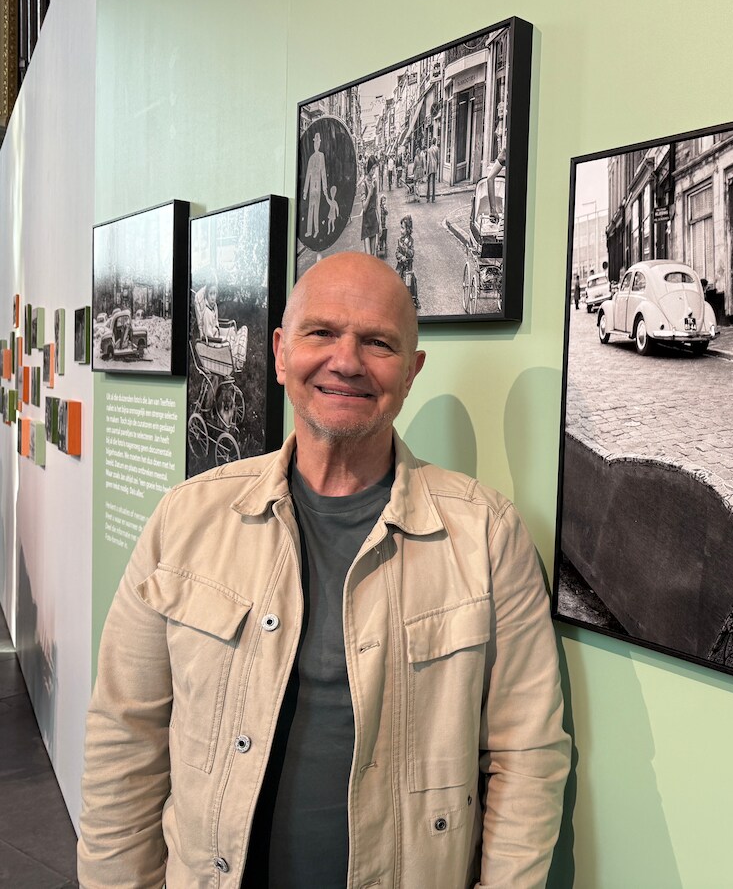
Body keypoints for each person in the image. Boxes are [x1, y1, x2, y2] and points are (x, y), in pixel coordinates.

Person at [78, 251, 570, 888]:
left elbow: (527, 759)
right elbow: (125, 735)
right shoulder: (186, 520)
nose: (346, 361)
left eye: (378, 342)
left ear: (412, 370)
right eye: (322, 333)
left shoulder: (487, 536)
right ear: (281, 351)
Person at [301, 131, 328, 239]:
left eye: (318, 142)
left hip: (318, 187)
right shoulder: (311, 158)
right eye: (315, 142)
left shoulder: (321, 156)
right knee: (310, 209)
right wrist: (305, 191)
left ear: (319, 143)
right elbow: (308, 174)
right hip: (312, 186)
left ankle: (316, 230)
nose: (316, 144)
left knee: (316, 209)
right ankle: (309, 230)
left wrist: (325, 188)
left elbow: (323, 172)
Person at [360, 156, 380, 255]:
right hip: (366, 223)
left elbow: (376, 204)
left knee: (373, 256)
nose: (373, 172)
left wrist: (379, 223)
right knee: (368, 257)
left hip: (373, 220)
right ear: (368, 168)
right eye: (372, 169)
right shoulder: (363, 184)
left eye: (375, 169)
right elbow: (364, 208)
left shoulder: (375, 182)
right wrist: (369, 193)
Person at [425, 138, 440, 203]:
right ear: (435, 142)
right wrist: (437, 167)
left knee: (428, 182)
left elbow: (428, 160)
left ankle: (428, 197)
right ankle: (433, 198)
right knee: (433, 182)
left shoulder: (429, 150)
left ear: (431, 142)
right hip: (434, 167)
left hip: (430, 166)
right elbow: (438, 159)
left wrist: (427, 169)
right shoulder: (437, 149)